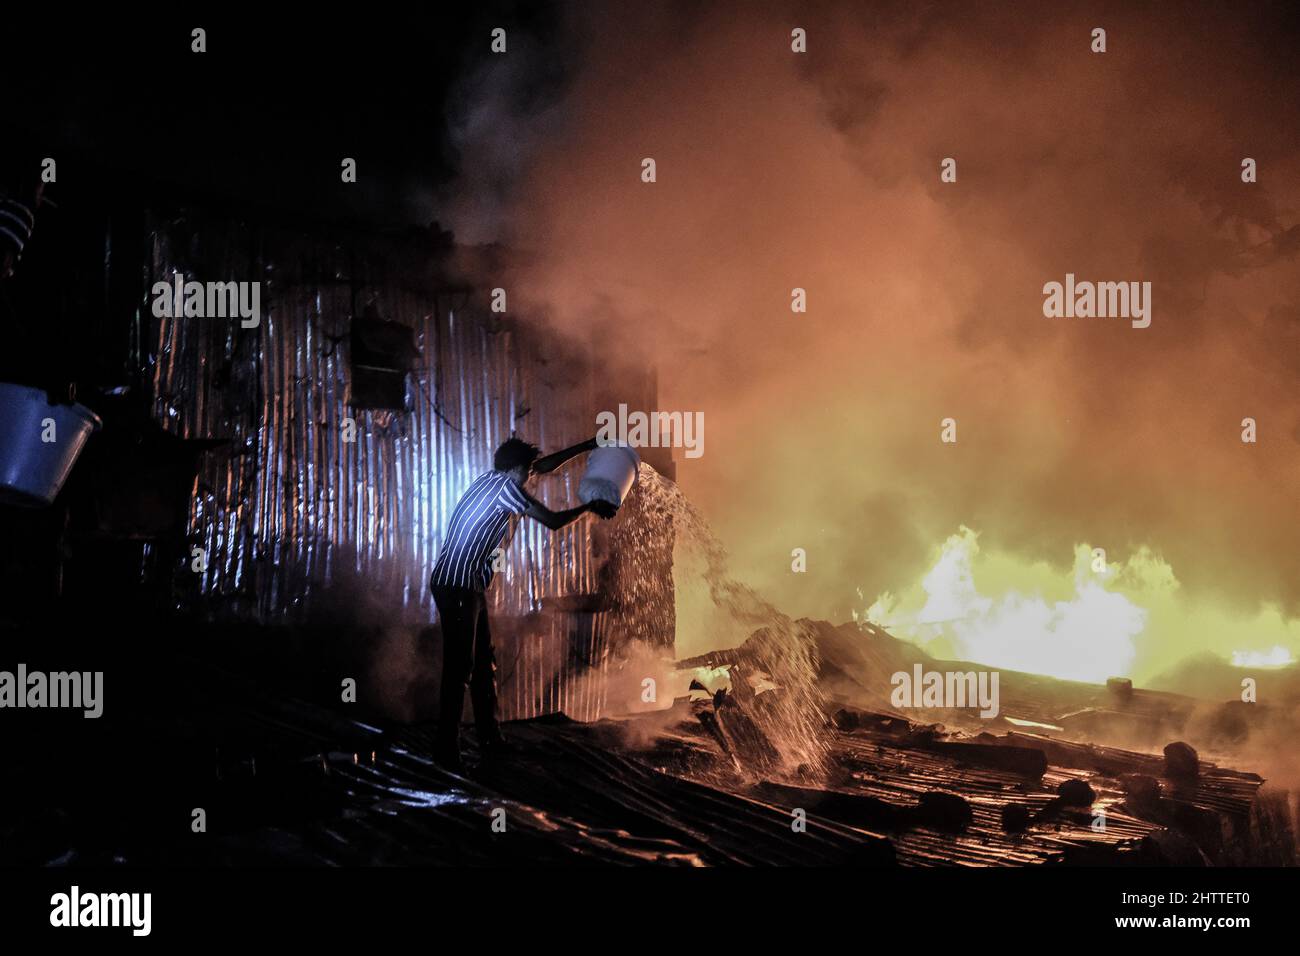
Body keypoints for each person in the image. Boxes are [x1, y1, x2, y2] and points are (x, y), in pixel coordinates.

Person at [429, 435, 614, 769]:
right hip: (457, 587)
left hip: (464, 584)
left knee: (484, 663)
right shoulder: (508, 490)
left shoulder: (491, 479)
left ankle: (490, 739)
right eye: (528, 471)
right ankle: (446, 751)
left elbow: (541, 465)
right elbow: (554, 521)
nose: (533, 477)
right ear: (518, 470)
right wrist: (590, 506)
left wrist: (585, 445)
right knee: (460, 669)